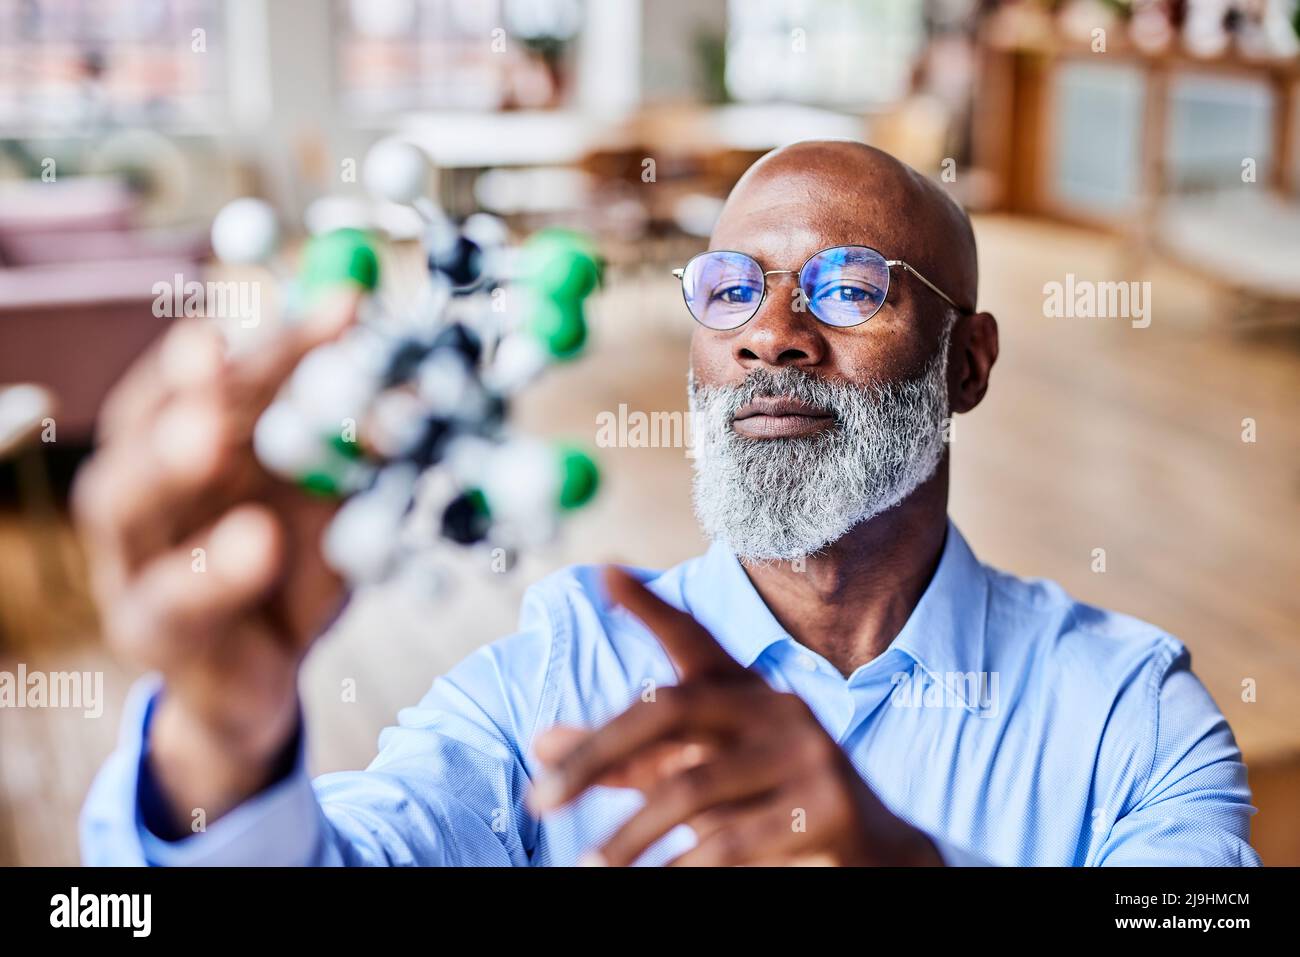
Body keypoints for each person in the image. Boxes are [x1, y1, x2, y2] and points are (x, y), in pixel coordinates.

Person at [77, 141, 1259, 866]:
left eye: (849, 289)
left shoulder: (1129, 720)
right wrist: (221, 746)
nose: (771, 337)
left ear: (966, 363)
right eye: (729, 290)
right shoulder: (552, 685)